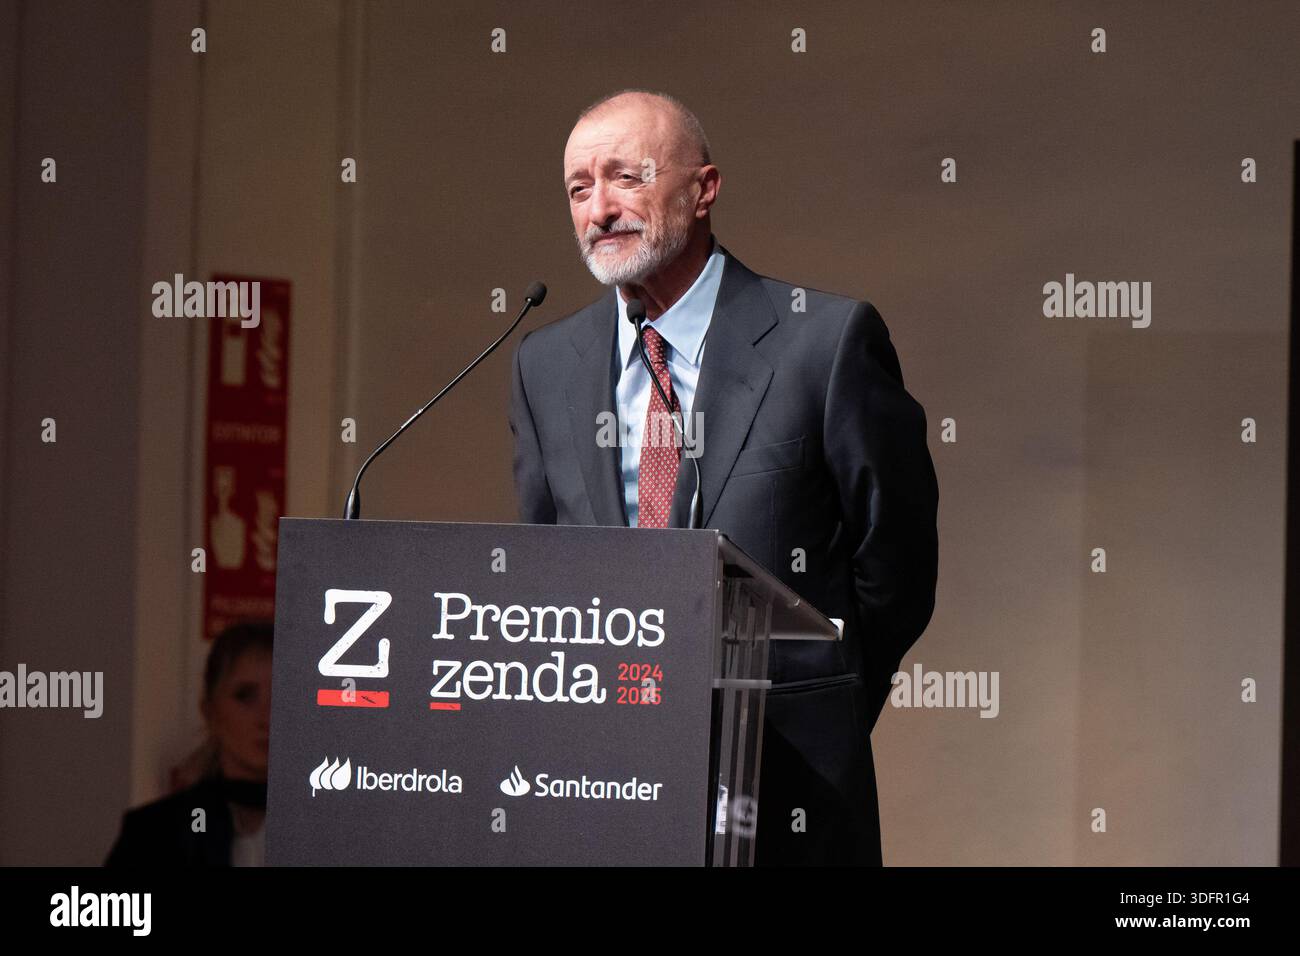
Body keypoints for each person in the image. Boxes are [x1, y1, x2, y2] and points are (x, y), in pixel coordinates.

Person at [508, 90, 939, 865]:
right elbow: (548, 568)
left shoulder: (825, 342)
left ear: (704, 189)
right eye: (579, 189)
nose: (600, 208)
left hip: (789, 783)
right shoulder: (544, 365)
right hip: (605, 787)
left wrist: (827, 697)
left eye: (625, 177)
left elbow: (898, 563)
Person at [105, 620, 273, 866]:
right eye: (245, 696)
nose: (267, 716)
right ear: (210, 711)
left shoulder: (334, 826)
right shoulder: (154, 832)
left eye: (283, 695)